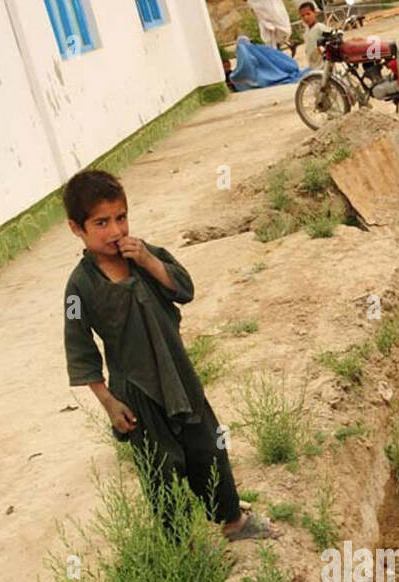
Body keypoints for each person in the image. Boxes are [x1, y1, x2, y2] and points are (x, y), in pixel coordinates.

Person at [62, 169, 271, 542]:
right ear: (77, 228)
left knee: (209, 448)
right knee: (161, 470)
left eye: (121, 218)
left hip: (179, 376)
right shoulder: (79, 287)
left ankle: (233, 521)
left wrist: (148, 262)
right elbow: (79, 347)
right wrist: (108, 402)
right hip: (136, 393)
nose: (116, 231)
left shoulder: (147, 255)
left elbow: (184, 288)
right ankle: (181, 549)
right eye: (101, 223)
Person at [298, 1, 328, 68]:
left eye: (308, 14)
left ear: (315, 13)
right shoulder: (307, 30)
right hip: (313, 65)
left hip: (323, 65)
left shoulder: (319, 27)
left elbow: (332, 34)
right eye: (303, 15)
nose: (306, 17)